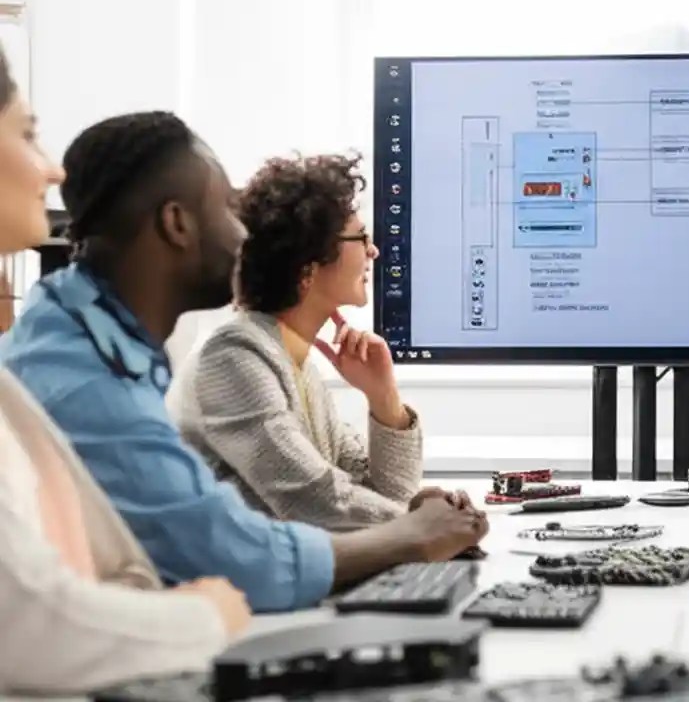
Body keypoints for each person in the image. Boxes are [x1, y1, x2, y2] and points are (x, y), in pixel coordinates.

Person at [0, 111, 488, 615]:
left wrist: (385, 402)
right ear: (177, 223)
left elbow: (366, 497)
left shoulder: (115, 348)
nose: (243, 238)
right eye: (226, 211)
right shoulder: (106, 373)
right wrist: (414, 531)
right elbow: (247, 538)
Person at [0, 50, 248, 694]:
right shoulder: (68, 370)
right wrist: (203, 617)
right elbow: (30, 621)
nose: (51, 168)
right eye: (26, 133)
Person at [169, 153, 439, 531]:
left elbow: (384, 496)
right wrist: (429, 524)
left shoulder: (297, 366)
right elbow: (315, 500)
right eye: (361, 237)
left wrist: (385, 400)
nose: (373, 251)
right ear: (309, 266)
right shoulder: (232, 359)